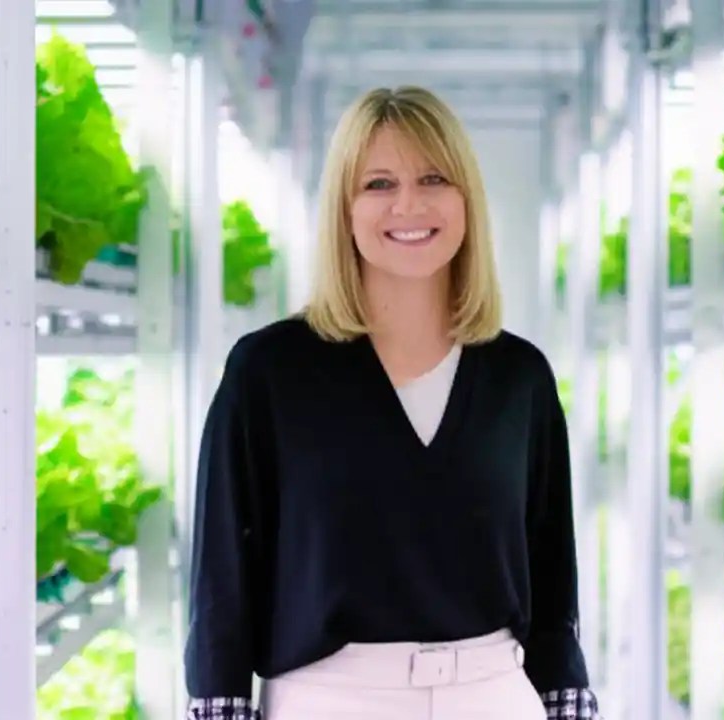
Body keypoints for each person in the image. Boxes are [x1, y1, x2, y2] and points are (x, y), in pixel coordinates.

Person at [184, 85, 601, 720]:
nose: (409, 204)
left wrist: (567, 703)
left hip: (491, 697)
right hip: (327, 701)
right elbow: (223, 577)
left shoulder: (520, 378)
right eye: (378, 184)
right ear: (343, 210)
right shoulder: (268, 372)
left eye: (434, 178)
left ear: (467, 202)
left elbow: (552, 574)